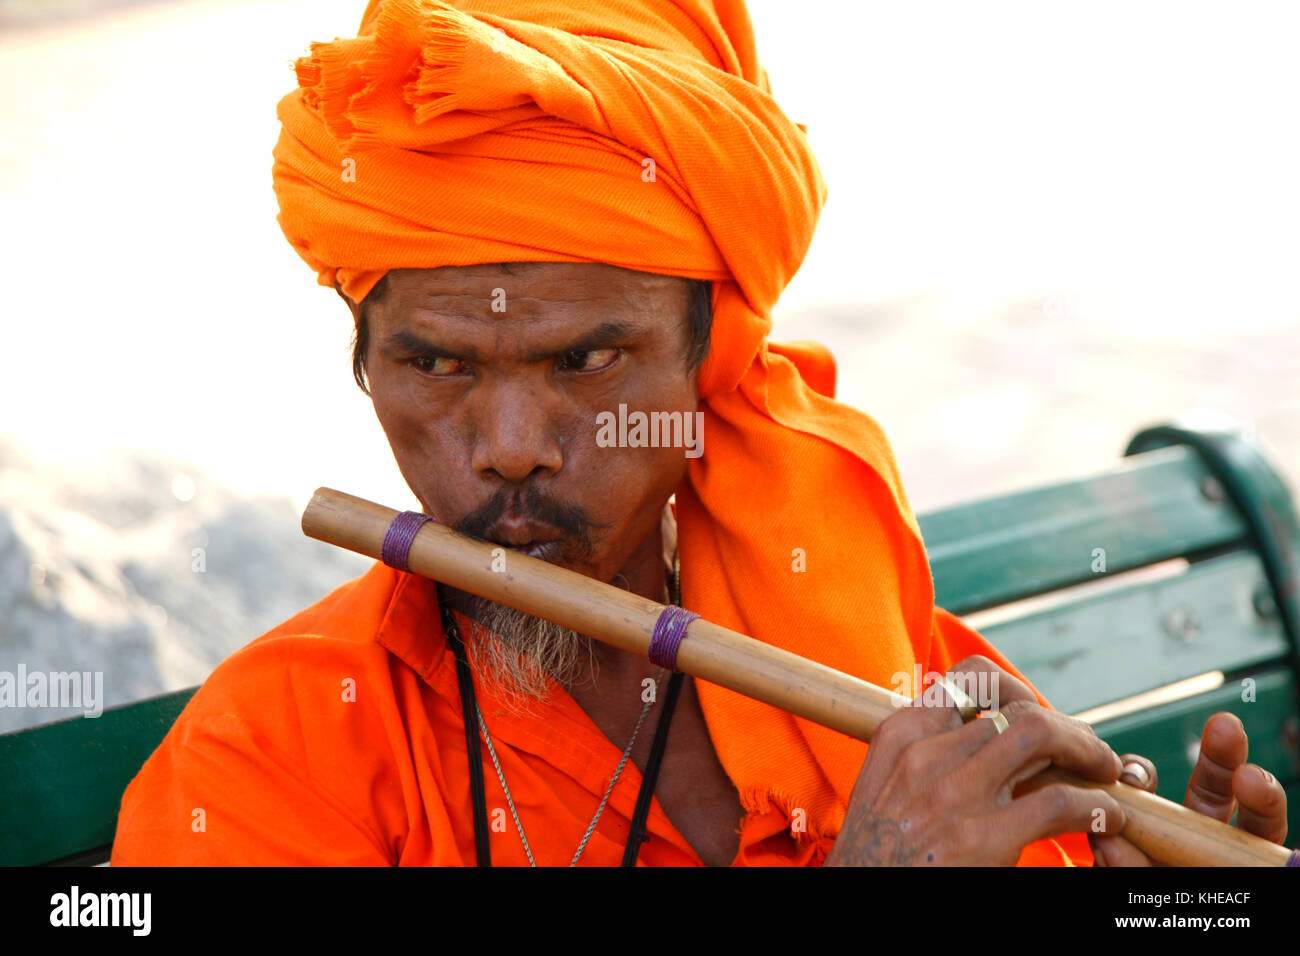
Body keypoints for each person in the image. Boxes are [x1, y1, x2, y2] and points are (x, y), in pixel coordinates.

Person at [112, 0, 1286, 866]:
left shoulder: (852, 629)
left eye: (587, 359)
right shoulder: (267, 758)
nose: (510, 444)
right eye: (436, 363)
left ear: (706, 364)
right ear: (364, 364)